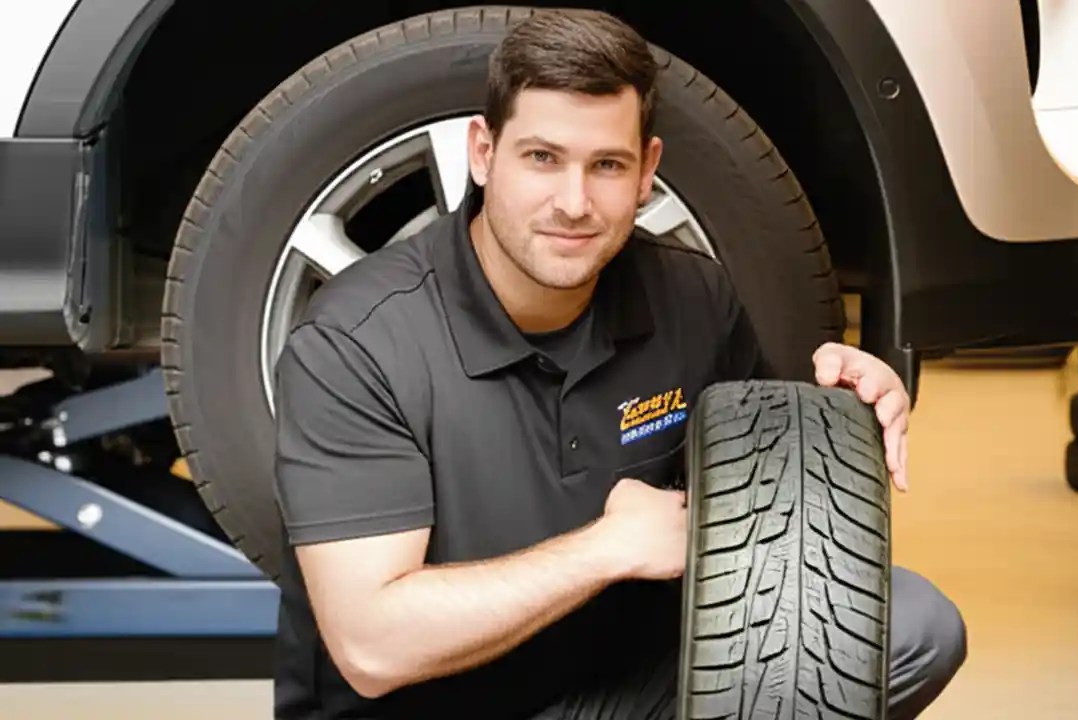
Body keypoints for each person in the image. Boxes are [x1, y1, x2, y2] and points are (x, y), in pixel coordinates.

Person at [271, 9, 965, 720]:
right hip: (429, 710)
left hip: (610, 690)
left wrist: (839, 418)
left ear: (647, 171)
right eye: (542, 158)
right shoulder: (356, 342)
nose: (573, 204)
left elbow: (775, 528)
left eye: (606, 165)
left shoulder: (692, 298)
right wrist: (605, 550)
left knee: (911, 628)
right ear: (484, 152)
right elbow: (372, 648)